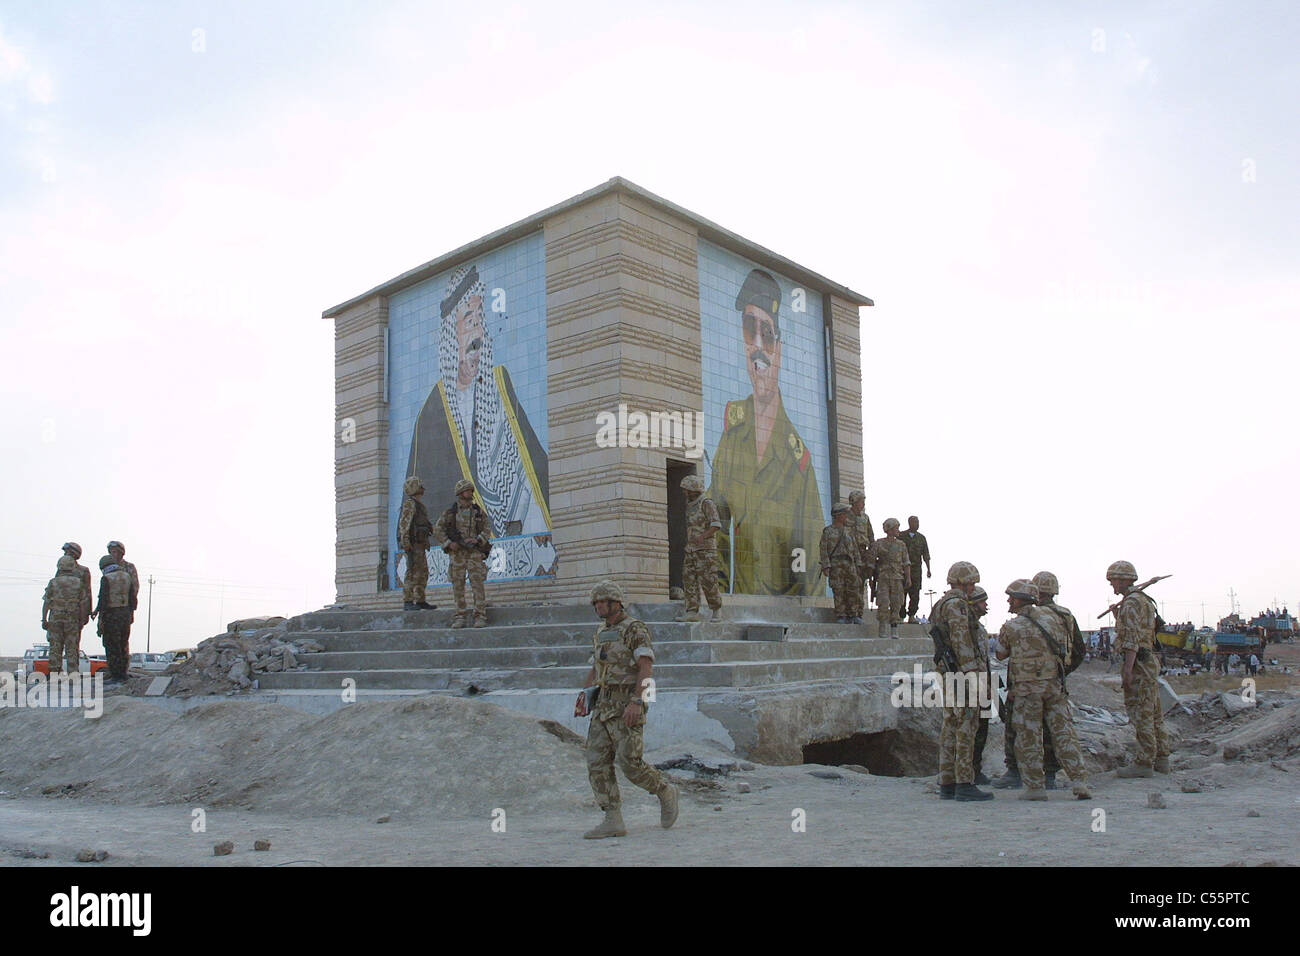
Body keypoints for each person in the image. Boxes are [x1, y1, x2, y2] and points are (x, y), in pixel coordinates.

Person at [406, 263, 551, 538]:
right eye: (469, 321)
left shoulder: (499, 384)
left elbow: (535, 467)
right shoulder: (432, 413)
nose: (478, 332)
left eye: (480, 319)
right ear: (452, 335)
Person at [708, 268, 825, 596]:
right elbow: (714, 526)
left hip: (783, 614)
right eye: (749, 329)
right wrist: (714, 597)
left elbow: (812, 558)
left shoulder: (798, 459)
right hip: (737, 607)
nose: (757, 344)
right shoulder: (733, 433)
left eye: (767, 333)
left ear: (780, 349)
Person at [574, 580, 679, 839]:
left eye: (602, 601)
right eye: (595, 602)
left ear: (616, 603)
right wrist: (584, 695)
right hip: (603, 704)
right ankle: (612, 818)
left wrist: (637, 702)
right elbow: (595, 667)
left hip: (627, 703)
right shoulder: (600, 632)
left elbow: (646, 667)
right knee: (596, 762)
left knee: (630, 763)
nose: (598, 606)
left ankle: (665, 790)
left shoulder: (635, 629)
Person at [994, 579, 1091, 800]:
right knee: (1064, 734)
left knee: (1029, 737)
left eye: (1011, 597)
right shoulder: (1054, 620)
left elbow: (1000, 654)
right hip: (1054, 686)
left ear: (1019, 599)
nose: (1008, 600)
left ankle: (1035, 787)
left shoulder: (1012, 626)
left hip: (1027, 691)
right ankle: (1080, 782)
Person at [932, 561, 992, 801]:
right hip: (962, 673)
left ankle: (947, 782)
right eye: (971, 583)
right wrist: (973, 674)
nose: (972, 587)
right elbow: (961, 641)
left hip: (948, 673)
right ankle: (964, 783)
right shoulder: (958, 605)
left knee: (950, 725)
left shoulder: (940, 604)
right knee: (966, 727)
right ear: (963, 582)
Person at [1107, 560, 1170, 777]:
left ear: (1123, 580)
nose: (1111, 585)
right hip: (1147, 661)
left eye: (1113, 580)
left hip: (1139, 664)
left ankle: (1144, 762)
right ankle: (1161, 758)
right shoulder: (1142, 600)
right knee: (1153, 712)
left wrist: (1127, 669)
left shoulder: (1132, 602)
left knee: (1141, 712)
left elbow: (1132, 638)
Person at [435, 479, 492, 628]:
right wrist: (448, 543)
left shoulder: (478, 512)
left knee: (477, 585)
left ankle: (480, 615)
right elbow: (438, 530)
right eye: (468, 490)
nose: (471, 492)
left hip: (474, 553)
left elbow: (487, 529)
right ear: (460, 493)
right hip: (458, 554)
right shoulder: (450, 513)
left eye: (471, 490)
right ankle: (460, 616)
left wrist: (478, 540)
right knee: (458, 586)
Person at [677, 475, 723, 622]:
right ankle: (692, 611)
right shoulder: (690, 505)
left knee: (708, 580)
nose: (685, 493)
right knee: (689, 580)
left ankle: (716, 609)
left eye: (686, 490)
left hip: (706, 550)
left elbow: (715, 524)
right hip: (691, 549)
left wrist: (703, 537)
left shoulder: (706, 503)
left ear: (693, 489)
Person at [42, 555, 91, 674]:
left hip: (55, 619)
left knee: (55, 647)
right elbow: (83, 603)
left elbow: (47, 602)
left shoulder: (53, 582)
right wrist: (82, 619)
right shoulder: (78, 583)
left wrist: (44, 619)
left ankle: (55, 674)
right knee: (72, 648)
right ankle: (73, 674)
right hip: (72, 620)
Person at [94, 554, 137, 683]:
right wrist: (130, 613)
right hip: (125, 613)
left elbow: (103, 600)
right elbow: (133, 598)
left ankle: (115, 675)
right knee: (123, 643)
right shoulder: (127, 576)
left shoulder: (106, 578)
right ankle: (123, 673)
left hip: (111, 614)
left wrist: (99, 615)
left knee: (112, 645)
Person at [396, 476, 436, 610]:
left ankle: (420, 599)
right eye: (419, 486)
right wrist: (405, 541)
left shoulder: (419, 505)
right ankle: (408, 601)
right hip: (413, 544)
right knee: (412, 572)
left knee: (423, 572)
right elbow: (404, 524)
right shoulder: (410, 504)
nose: (422, 488)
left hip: (420, 544)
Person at [866, 518, 910, 636]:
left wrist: (908, 578)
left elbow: (906, 562)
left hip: (897, 577)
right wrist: (870, 579)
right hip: (883, 577)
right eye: (896, 528)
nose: (898, 530)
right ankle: (882, 627)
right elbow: (871, 562)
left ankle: (894, 628)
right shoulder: (879, 544)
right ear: (889, 529)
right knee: (883, 602)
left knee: (896, 603)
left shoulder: (901, 545)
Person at [819, 502, 862, 624]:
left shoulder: (849, 531)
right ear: (838, 515)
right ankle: (841, 615)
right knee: (838, 590)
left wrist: (858, 563)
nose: (846, 516)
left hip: (849, 563)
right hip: (836, 564)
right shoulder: (828, 531)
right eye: (844, 514)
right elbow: (823, 550)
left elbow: (855, 548)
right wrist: (826, 566)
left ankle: (853, 614)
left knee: (853, 589)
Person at [969, 585, 994, 785]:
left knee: (982, 729)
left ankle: (975, 769)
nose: (986, 606)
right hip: (970, 686)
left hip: (984, 684)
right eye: (982, 602)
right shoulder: (967, 627)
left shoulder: (979, 627)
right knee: (969, 731)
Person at [900, 516, 931, 624]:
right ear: (909, 523)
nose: (916, 524)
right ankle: (900, 615)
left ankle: (912, 615)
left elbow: (926, 554)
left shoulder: (921, 538)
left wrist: (928, 569)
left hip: (916, 570)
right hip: (902, 570)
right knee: (901, 593)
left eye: (918, 522)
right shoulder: (901, 536)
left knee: (915, 593)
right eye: (914, 522)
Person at [848, 491, 874, 610]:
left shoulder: (865, 517)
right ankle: (849, 610)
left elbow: (871, 536)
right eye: (860, 501)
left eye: (863, 501)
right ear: (854, 501)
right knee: (850, 582)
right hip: (850, 552)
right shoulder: (846, 515)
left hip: (863, 552)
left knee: (861, 582)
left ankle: (859, 610)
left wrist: (872, 553)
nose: (863, 504)